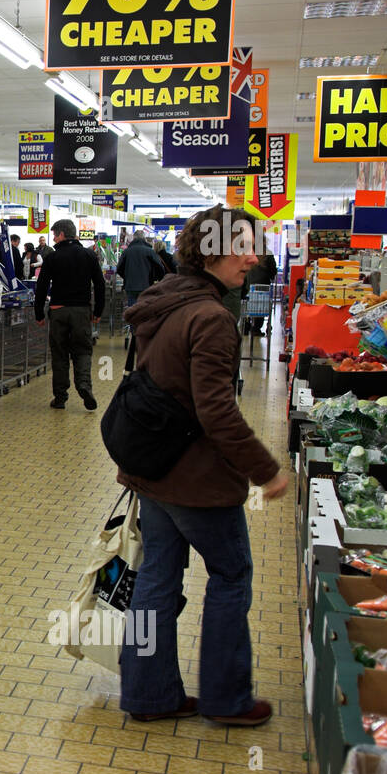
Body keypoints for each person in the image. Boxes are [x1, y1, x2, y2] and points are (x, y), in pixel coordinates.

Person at [116, 204, 288, 727]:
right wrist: (266, 470)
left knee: (156, 580)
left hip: (153, 468)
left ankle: (149, 694)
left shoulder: (164, 301)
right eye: (244, 247)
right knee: (231, 575)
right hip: (195, 479)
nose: (253, 258)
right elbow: (216, 410)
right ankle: (227, 699)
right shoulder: (211, 317)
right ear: (214, 250)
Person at [34, 219, 105, 411]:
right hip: (82, 311)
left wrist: (38, 313)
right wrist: (98, 311)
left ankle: (60, 398)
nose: (54, 239)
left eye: (55, 235)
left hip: (58, 311)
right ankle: (84, 386)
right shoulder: (89, 255)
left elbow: (41, 287)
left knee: (59, 354)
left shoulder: (52, 258)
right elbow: (100, 284)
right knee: (82, 350)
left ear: (62, 235)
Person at [115, 230, 163, 308]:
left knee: (132, 310)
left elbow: (119, 268)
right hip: (146, 286)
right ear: (144, 239)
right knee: (144, 311)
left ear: (133, 239)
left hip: (131, 286)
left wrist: (127, 277)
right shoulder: (150, 251)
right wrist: (154, 278)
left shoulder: (127, 252)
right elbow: (160, 268)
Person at [242, 249, 279, 335]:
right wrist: (271, 276)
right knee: (260, 306)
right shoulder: (268, 254)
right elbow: (273, 269)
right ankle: (256, 328)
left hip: (248, 284)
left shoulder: (247, 252)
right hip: (263, 285)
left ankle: (246, 326)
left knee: (247, 304)